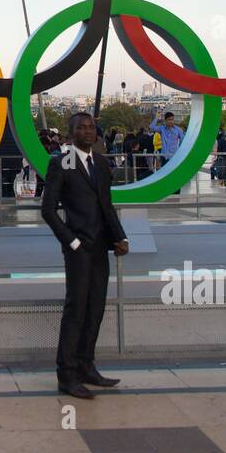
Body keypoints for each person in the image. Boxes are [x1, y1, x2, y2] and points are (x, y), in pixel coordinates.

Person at [40, 112, 130, 399]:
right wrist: (72, 241)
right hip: (79, 249)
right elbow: (48, 209)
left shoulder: (101, 163)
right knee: (76, 311)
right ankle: (66, 374)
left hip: (100, 246)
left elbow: (106, 205)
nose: (88, 132)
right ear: (71, 133)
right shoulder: (61, 162)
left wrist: (120, 236)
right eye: (82, 128)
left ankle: (86, 365)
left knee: (96, 309)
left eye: (92, 127)